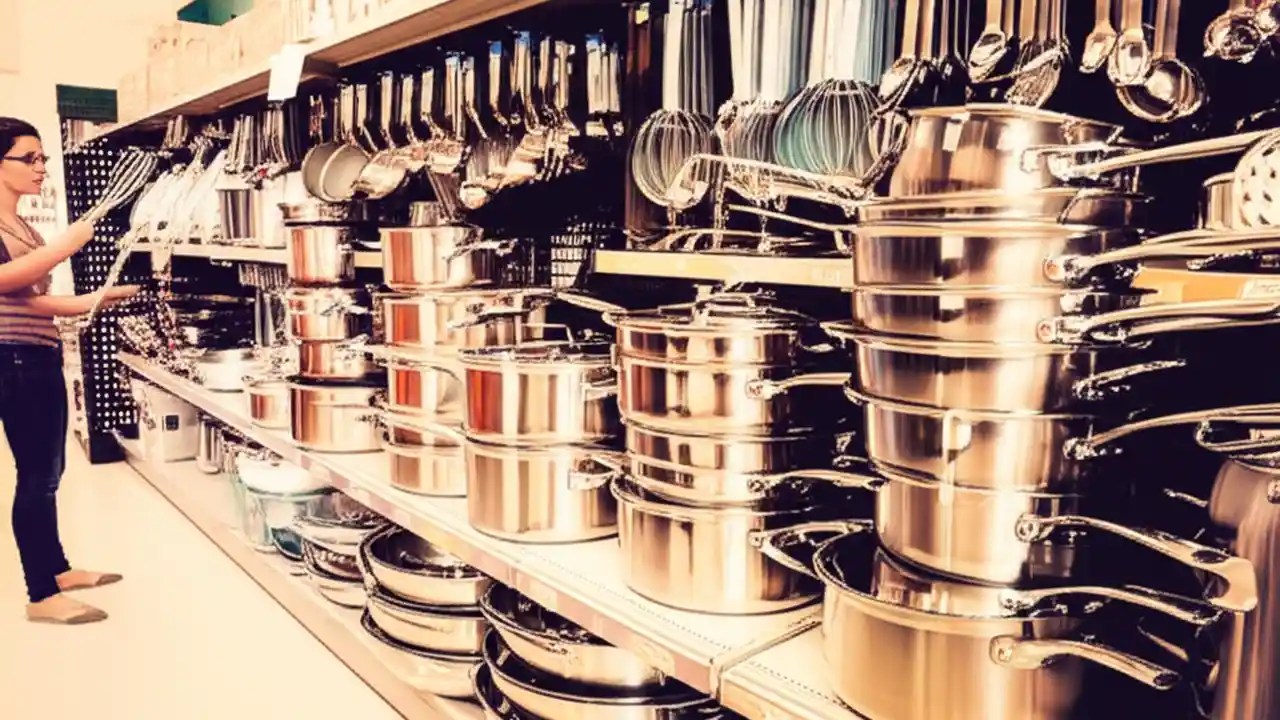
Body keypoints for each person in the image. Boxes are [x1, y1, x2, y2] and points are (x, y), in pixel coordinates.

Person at [0, 117, 138, 624]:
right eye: (29, 158)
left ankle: (56, 570)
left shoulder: (21, 226)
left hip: (36, 352)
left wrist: (92, 300)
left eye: (42, 158)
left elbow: (28, 299)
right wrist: (68, 244)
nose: (41, 167)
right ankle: (41, 595)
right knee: (36, 474)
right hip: (12, 356)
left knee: (51, 471)